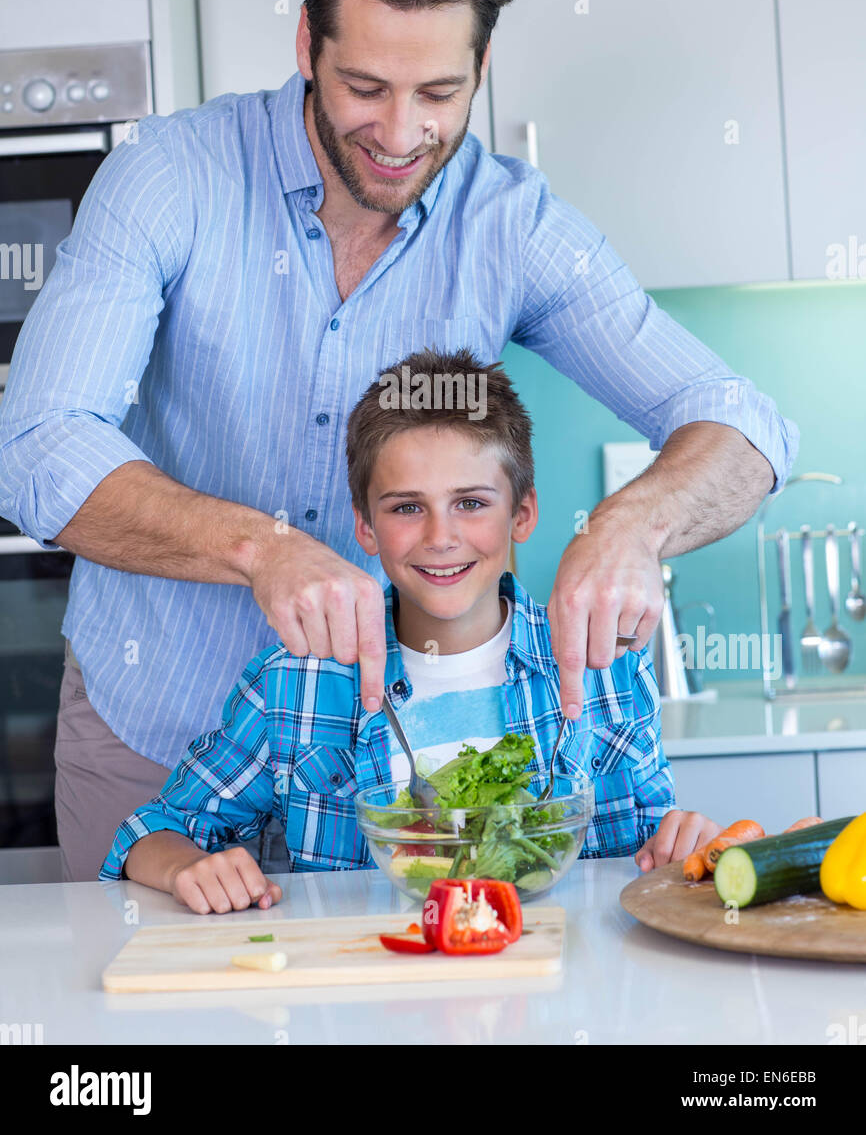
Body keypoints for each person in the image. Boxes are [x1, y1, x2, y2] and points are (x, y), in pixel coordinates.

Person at [0, 0, 794, 882]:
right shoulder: (170, 177)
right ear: (305, 46)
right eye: (365, 87)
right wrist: (262, 548)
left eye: (438, 94)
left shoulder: (509, 221)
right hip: (151, 729)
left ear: (480, 69)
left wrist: (632, 526)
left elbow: (740, 422)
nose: (400, 131)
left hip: (379, 780)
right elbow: (35, 446)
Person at [99, 349, 721, 911]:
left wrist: (681, 839)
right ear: (366, 526)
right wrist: (188, 867)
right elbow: (151, 833)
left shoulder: (603, 666)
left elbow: (649, 845)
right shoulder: (296, 681)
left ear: (522, 513)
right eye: (406, 507)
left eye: (471, 503)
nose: (440, 537)